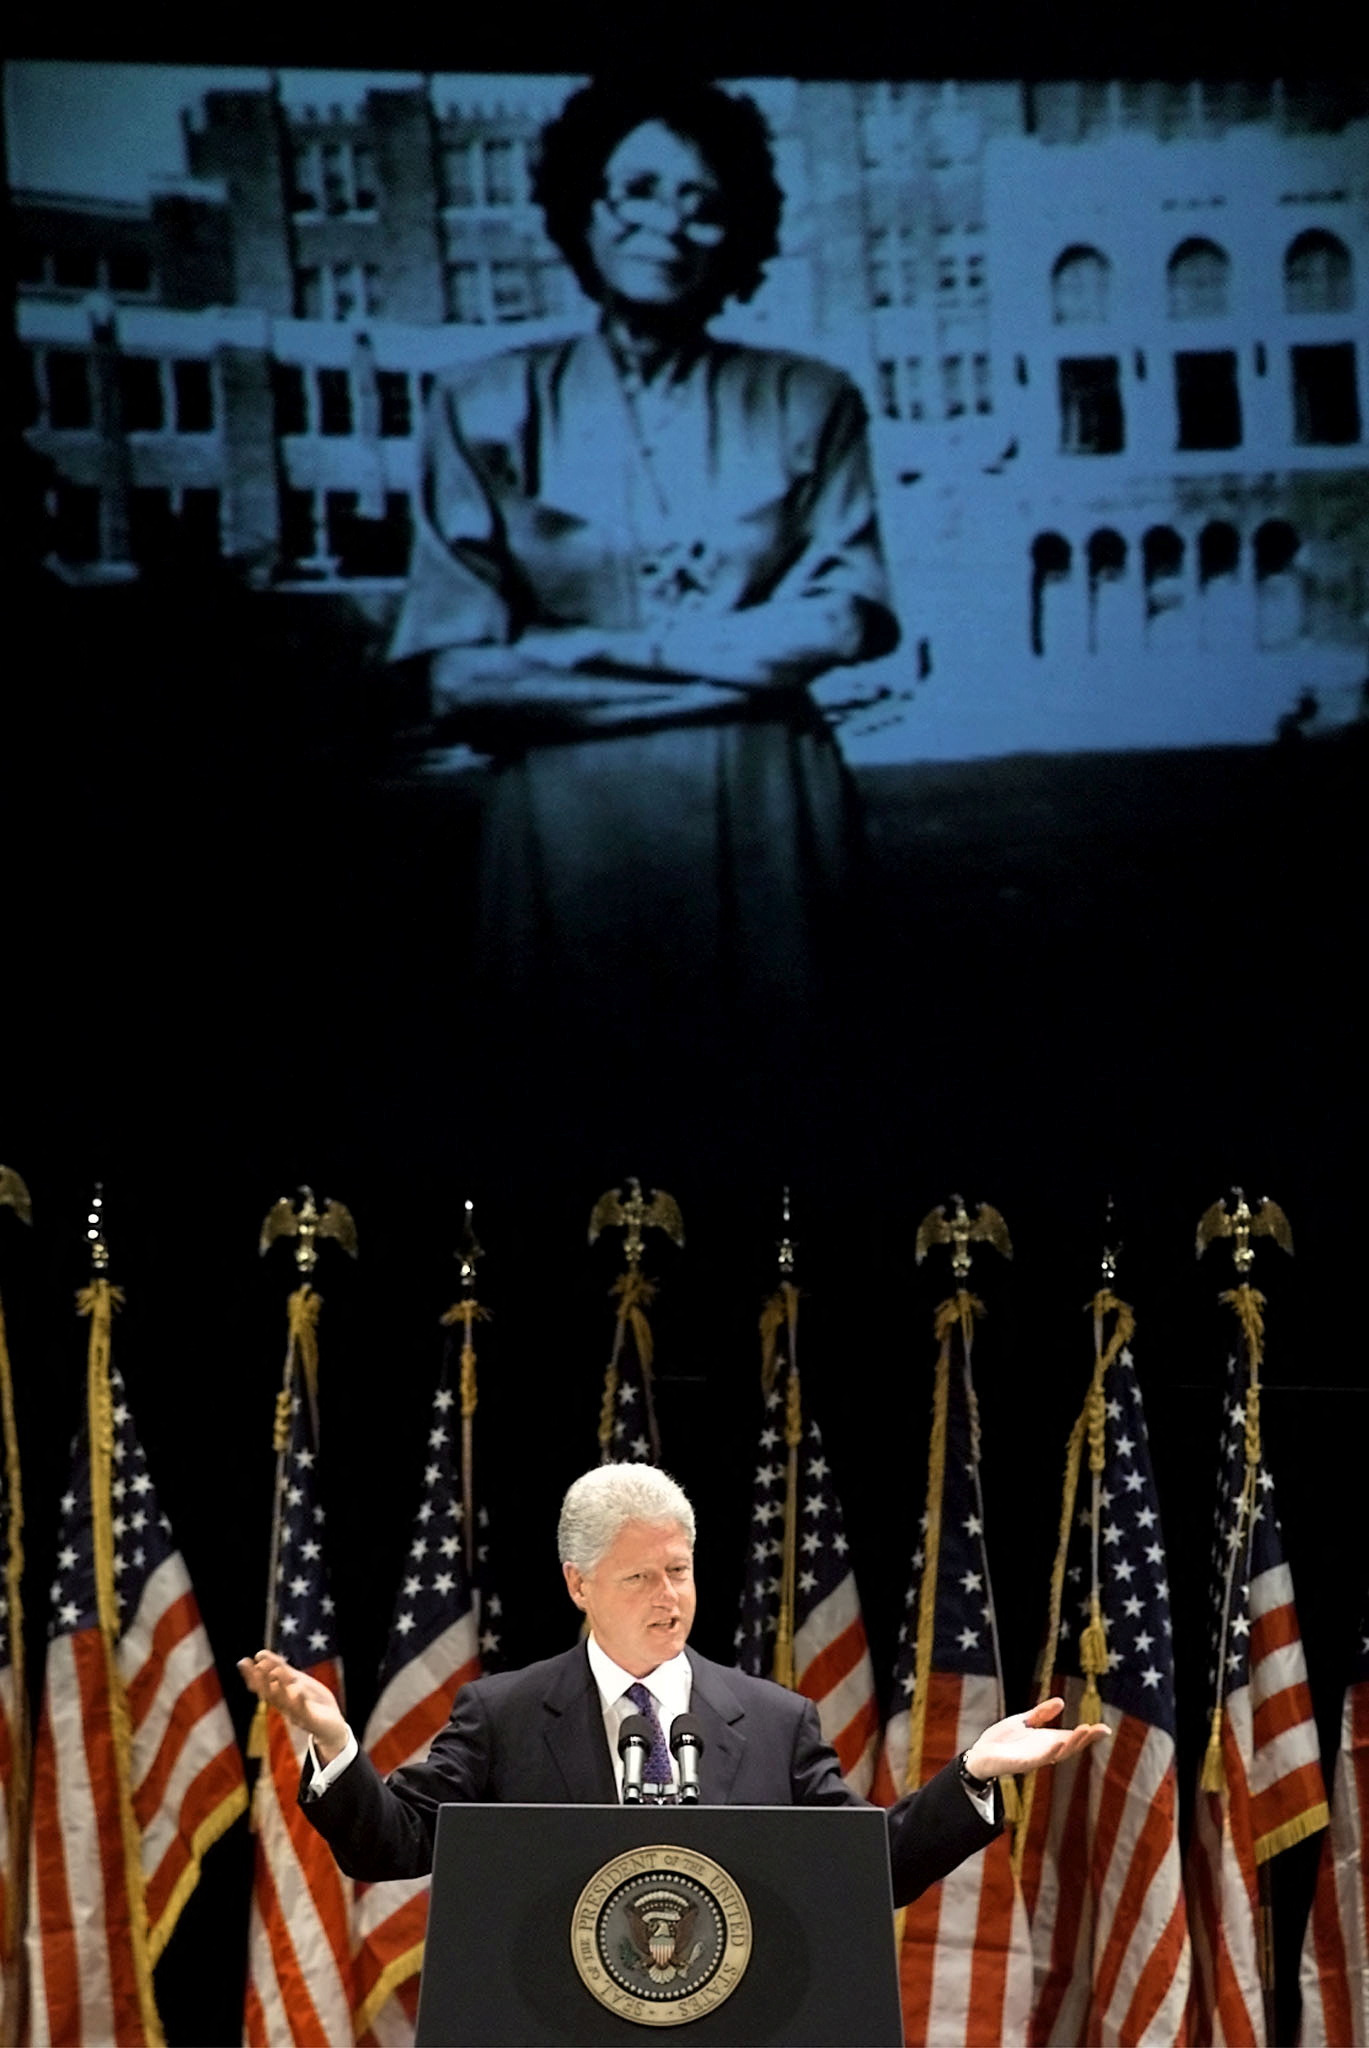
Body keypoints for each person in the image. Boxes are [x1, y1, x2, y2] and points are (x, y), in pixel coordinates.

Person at [389, 76, 899, 1057]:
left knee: (785, 1127)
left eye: (704, 203)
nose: (668, 222)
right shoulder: (478, 406)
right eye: (637, 189)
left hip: (771, 821)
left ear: (737, 232)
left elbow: (839, 623)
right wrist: (748, 674)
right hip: (564, 841)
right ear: (583, 206)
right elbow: (459, 684)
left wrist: (579, 652)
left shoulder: (812, 401)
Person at [241, 1463, 1107, 1907]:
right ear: (578, 1585)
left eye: (679, 1572)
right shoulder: (504, 1715)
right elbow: (393, 1846)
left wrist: (973, 1778)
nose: (668, 1599)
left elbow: (863, 1869)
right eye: (638, 1579)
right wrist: (333, 1741)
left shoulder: (774, 1720)